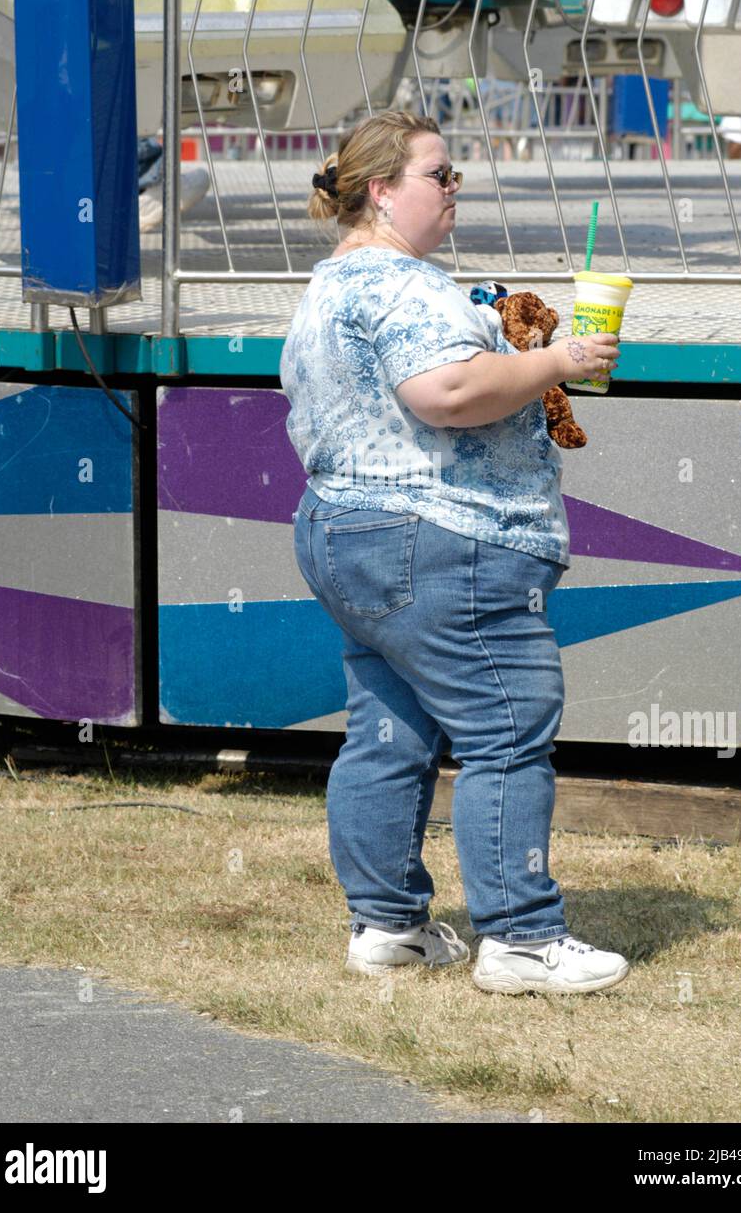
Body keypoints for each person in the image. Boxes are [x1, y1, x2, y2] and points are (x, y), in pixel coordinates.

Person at [279, 110, 629, 996]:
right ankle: (520, 939)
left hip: (347, 533)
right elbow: (448, 391)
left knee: (389, 729)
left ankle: (388, 926)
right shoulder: (404, 285)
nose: (453, 189)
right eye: (439, 174)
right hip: (445, 538)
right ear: (380, 189)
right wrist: (557, 359)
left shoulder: (328, 285)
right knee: (507, 725)